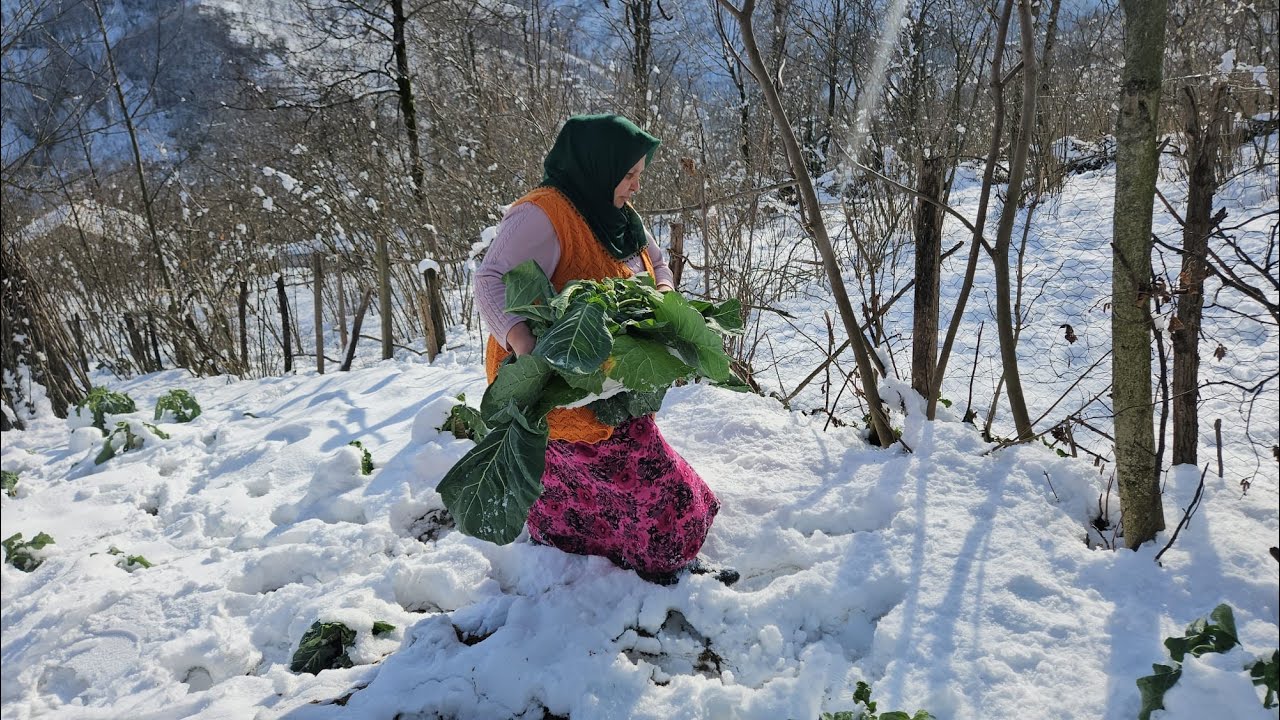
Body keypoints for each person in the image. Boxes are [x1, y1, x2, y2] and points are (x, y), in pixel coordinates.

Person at [475, 114, 732, 585]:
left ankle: (582, 541)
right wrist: (526, 346)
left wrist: (664, 298)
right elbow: (489, 278)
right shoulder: (542, 212)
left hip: (605, 370)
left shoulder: (617, 213)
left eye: (639, 175)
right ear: (596, 166)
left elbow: (655, 259)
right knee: (633, 469)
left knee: (594, 467)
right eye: (629, 174)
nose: (636, 186)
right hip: (549, 373)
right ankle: (666, 553)